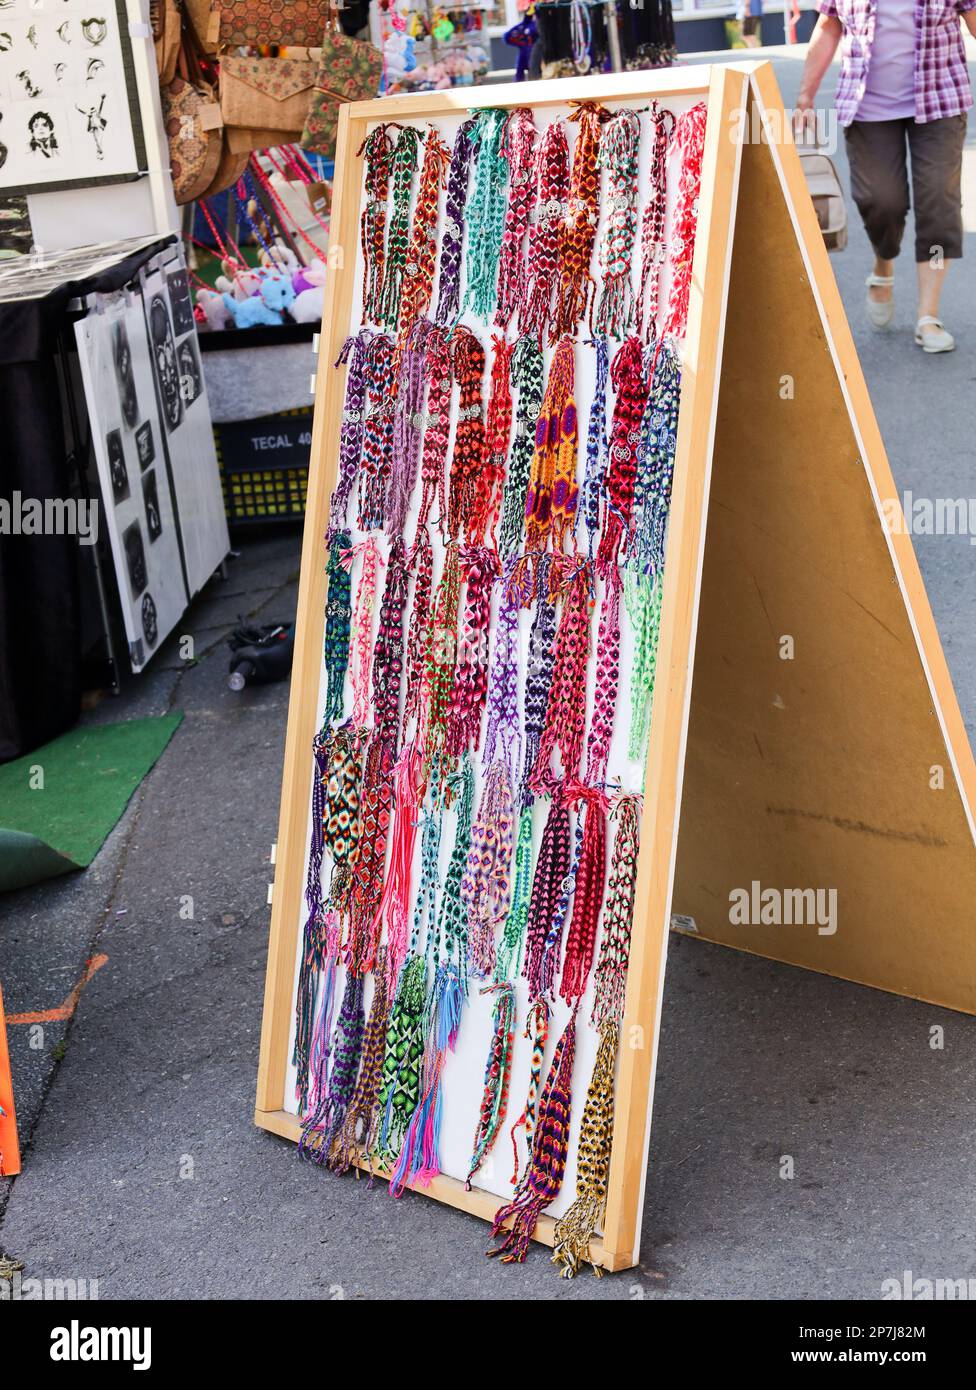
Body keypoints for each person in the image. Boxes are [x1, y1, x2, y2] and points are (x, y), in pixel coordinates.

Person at [796, 2, 976, 354]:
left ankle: (928, 315)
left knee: (940, 206)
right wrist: (805, 95)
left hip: (940, 103)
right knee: (881, 203)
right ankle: (883, 261)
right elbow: (829, 26)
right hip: (868, 108)